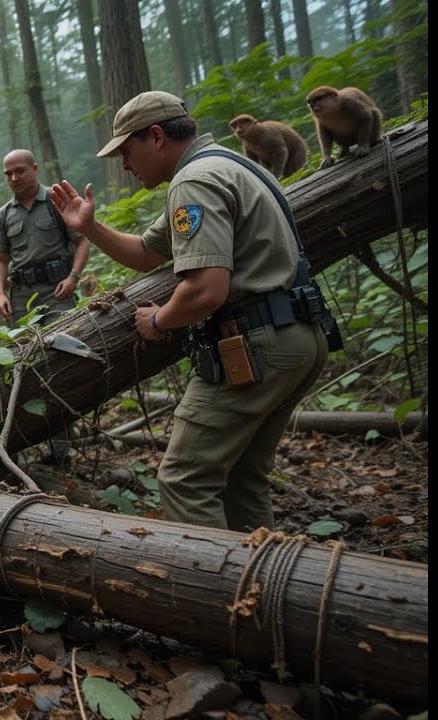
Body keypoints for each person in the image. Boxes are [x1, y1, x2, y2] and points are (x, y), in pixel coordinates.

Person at [49, 91, 329, 531]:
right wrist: (89, 227)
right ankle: (257, 573)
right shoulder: (233, 165)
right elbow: (147, 253)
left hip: (256, 347)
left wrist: (159, 319)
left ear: (156, 137)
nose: (124, 164)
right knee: (241, 478)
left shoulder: (193, 182)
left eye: (127, 151)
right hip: (299, 334)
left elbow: (205, 290)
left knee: (184, 479)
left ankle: (214, 576)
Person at [0, 150, 89, 326]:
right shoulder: (4, 214)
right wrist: (0, 294)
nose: (14, 178)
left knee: (63, 336)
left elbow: (81, 243)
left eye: (20, 171)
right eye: (8, 174)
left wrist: (73, 277)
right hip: (21, 296)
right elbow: (1, 259)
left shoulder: (57, 200)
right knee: (26, 341)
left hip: (57, 290)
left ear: (34, 168)